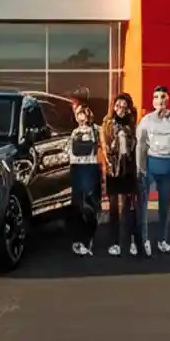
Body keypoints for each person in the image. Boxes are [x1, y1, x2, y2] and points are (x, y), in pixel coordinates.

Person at [136, 85, 170, 255]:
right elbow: (140, 144)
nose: (160, 100)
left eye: (163, 96)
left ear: (168, 99)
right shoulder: (146, 120)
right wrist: (140, 167)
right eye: (156, 97)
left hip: (169, 164)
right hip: (151, 164)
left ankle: (162, 240)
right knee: (143, 204)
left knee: (165, 206)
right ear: (153, 100)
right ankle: (144, 240)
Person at [101, 93, 139, 257]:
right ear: (113, 107)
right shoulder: (107, 124)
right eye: (118, 106)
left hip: (129, 169)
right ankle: (114, 243)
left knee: (128, 208)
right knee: (114, 208)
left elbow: (136, 145)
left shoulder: (132, 124)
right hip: (114, 169)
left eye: (124, 106)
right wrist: (108, 164)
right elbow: (104, 146)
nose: (121, 109)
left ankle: (130, 242)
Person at [68, 103, 104, 256]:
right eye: (79, 119)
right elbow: (70, 152)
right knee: (77, 206)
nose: (82, 123)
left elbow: (105, 148)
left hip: (90, 167)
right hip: (76, 168)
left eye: (85, 120)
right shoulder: (74, 132)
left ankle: (88, 238)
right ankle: (79, 239)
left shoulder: (97, 130)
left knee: (90, 206)